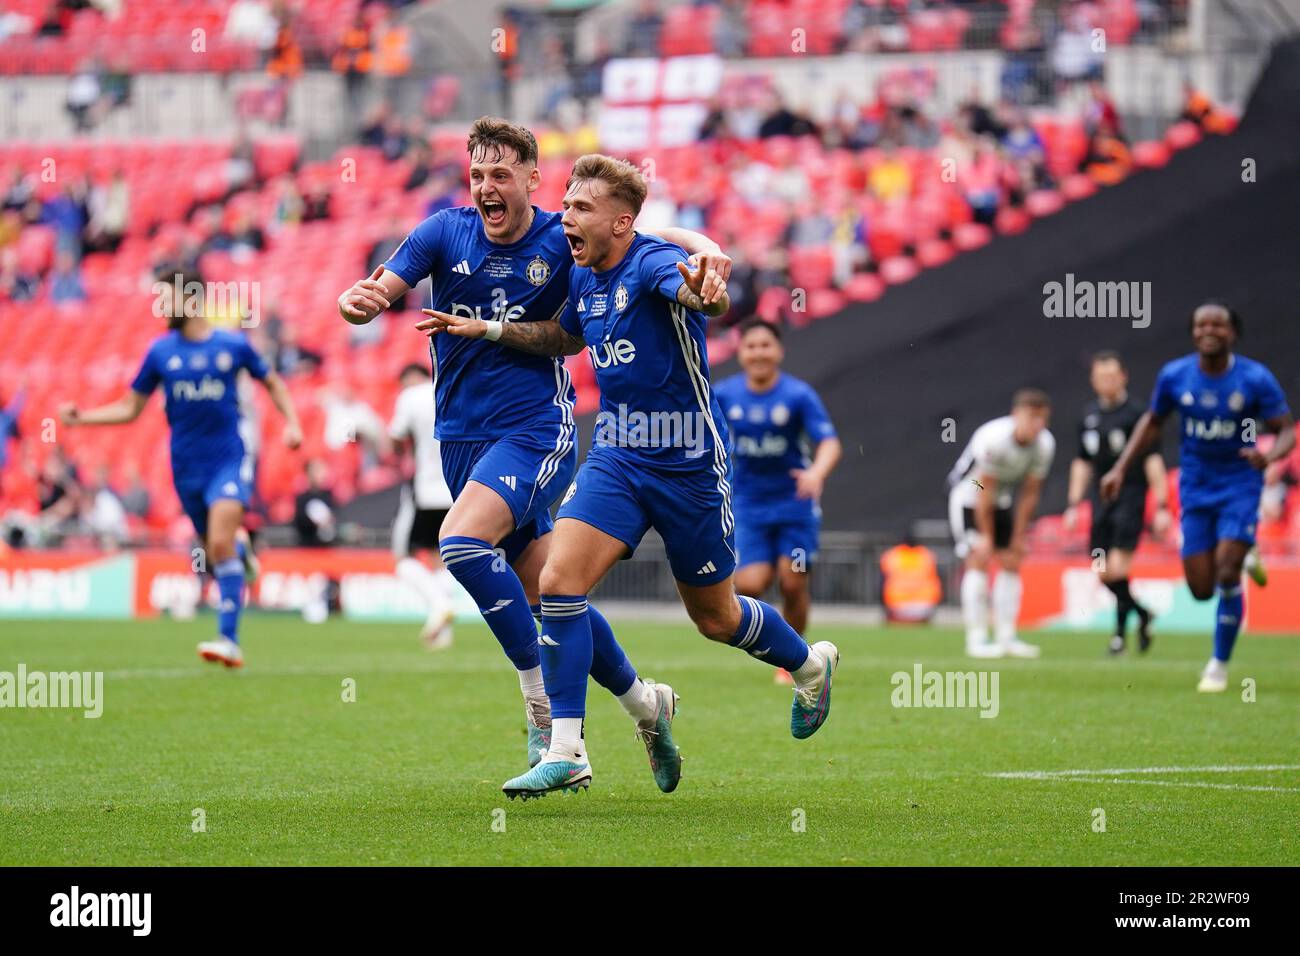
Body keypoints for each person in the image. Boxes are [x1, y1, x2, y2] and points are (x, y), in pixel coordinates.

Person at [420, 154, 840, 799]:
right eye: (567, 205)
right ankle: (565, 747)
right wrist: (491, 328)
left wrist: (707, 276)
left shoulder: (648, 264)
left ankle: (810, 664)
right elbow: (562, 339)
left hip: (689, 461)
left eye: (581, 209)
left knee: (715, 618)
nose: (567, 219)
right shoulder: (584, 277)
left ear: (621, 222)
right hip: (617, 452)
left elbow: (707, 294)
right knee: (560, 582)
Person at [338, 117, 731, 777]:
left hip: (535, 429)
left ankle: (543, 708)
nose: (487, 187)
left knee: (461, 544)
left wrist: (706, 244)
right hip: (460, 438)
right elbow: (387, 282)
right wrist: (365, 300)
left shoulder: (565, 233)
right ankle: (645, 705)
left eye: (500, 175)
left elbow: (648, 241)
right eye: (477, 176)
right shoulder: (443, 231)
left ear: (530, 180)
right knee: (552, 595)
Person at [59, 274, 303, 668]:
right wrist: (83, 417)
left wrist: (291, 423)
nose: (160, 307)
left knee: (217, 544)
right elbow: (130, 408)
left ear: (192, 300)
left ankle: (229, 639)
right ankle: (240, 552)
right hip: (185, 467)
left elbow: (272, 382)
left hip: (228, 459)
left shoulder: (232, 345)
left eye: (166, 299)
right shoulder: (160, 353)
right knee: (215, 548)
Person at [1102, 302, 1294, 692]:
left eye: (1217, 325)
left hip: (1240, 482)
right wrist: (1120, 467)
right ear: (1193, 332)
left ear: (1232, 333)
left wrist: (1268, 454)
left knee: (1225, 573)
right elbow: (1153, 422)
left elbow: (1286, 430)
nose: (1209, 330)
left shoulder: (1255, 379)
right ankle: (1245, 550)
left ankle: (1218, 666)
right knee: (1201, 589)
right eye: (1201, 324)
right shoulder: (1175, 376)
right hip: (1196, 484)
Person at [714, 319, 841, 684]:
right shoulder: (724, 394)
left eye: (765, 345)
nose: (758, 353)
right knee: (750, 585)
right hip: (748, 505)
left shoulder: (798, 395)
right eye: (751, 346)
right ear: (741, 353)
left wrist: (816, 473)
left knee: (793, 580)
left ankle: (796, 658)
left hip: (795, 506)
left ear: (779, 351)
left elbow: (830, 443)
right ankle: (782, 641)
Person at [1065, 350, 1170, 655]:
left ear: (1123, 376)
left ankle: (1119, 637)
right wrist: (1073, 503)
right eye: (1100, 377)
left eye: (1112, 376)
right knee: (1101, 569)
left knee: (1118, 568)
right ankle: (1143, 613)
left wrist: (1161, 506)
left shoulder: (1139, 416)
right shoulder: (1088, 417)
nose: (1106, 382)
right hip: (1100, 504)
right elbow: (1082, 462)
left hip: (1131, 499)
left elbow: (1153, 460)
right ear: (1093, 380)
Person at [948, 389, 1055, 659]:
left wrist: (1020, 534)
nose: (1037, 425)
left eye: (1042, 419)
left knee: (1011, 559)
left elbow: (1030, 493)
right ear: (1015, 415)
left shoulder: (1044, 445)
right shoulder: (993, 439)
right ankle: (977, 639)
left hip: (1001, 499)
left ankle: (1006, 637)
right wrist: (985, 535)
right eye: (1031, 417)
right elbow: (984, 487)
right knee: (979, 558)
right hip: (970, 495)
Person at [388, 363, 457, 649]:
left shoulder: (410, 397)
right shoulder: (450, 389)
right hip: (456, 488)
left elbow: (395, 438)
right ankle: (442, 633)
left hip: (425, 489)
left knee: (403, 559)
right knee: (441, 557)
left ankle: (439, 605)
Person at [880, 534, 941, 624]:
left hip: (897, 605)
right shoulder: (926, 555)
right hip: (924, 606)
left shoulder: (892, 555)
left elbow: (881, 583)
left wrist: (884, 609)